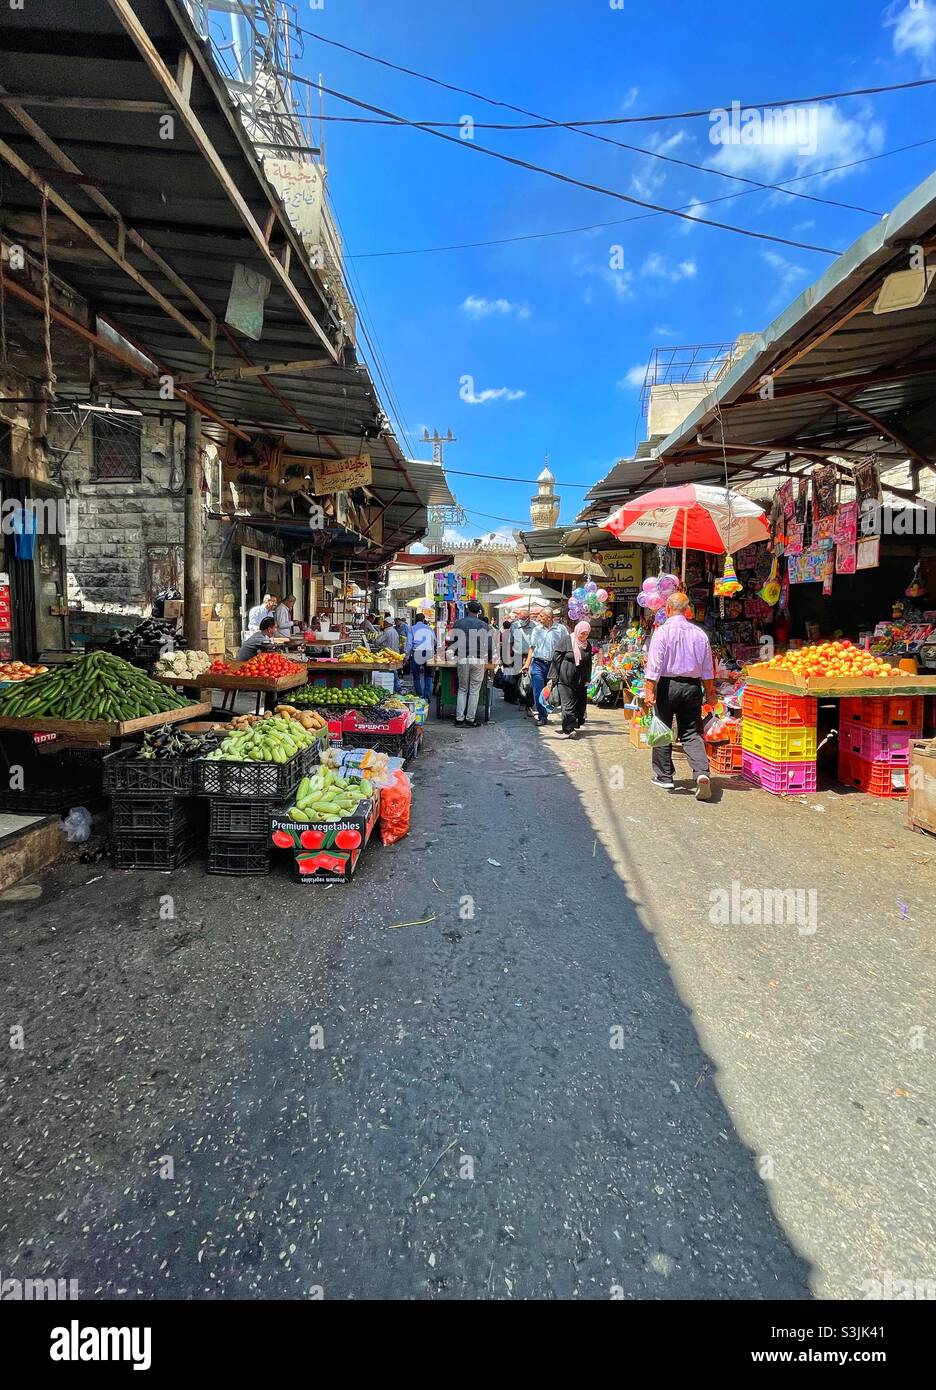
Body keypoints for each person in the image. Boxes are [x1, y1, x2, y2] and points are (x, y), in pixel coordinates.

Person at [644, 592, 716, 800]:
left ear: (667, 609)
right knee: (691, 731)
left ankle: (664, 776)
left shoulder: (662, 632)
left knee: (662, 728)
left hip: (667, 685)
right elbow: (707, 669)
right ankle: (701, 773)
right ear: (688, 610)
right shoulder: (700, 634)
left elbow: (654, 664)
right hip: (692, 687)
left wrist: (649, 690)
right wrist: (710, 693)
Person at [447, 599, 495, 726]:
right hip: (478, 659)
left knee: (462, 689)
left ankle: (459, 719)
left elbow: (451, 642)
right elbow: (490, 645)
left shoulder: (458, 623)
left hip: (462, 658)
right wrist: (490, 659)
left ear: (467, 610)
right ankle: (470, 719)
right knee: (474, 690)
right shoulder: (484, 625)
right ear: (479, 611)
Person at [544, 620, 592, 738]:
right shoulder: (566, 640)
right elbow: (556, 659)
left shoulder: (587, 645)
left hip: (580, 680)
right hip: (564, 679)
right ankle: (569, 728)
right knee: (568, 704)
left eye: (586, 634)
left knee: (579, 704)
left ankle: (573, 723)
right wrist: (553, 677)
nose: (583, 636)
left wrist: (587, 679)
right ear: (577, 631)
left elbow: (588, 663)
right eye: (582, 633)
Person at [523, 608, 569, 727]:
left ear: (549, 618)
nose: (539, 618)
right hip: (538, 663)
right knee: (538, 690)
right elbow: (532, 647)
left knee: (551, 691)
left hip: (554, 665)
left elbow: (567, 645)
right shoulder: (537, 629)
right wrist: (527, 664)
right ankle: (542, 716)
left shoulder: (561, 629)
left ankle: (556, 711)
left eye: (541, 616)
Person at [409, 610, 436, 700]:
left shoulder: (412, 628)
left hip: (417, 652)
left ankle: (419, 695)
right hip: (428, 652)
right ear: (424, 620)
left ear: (415, 620)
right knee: (428, 674)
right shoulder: (429, 628)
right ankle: (426, 695)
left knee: (416, 675)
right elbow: (435, 641)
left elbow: (409, 643)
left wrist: (406, 655)